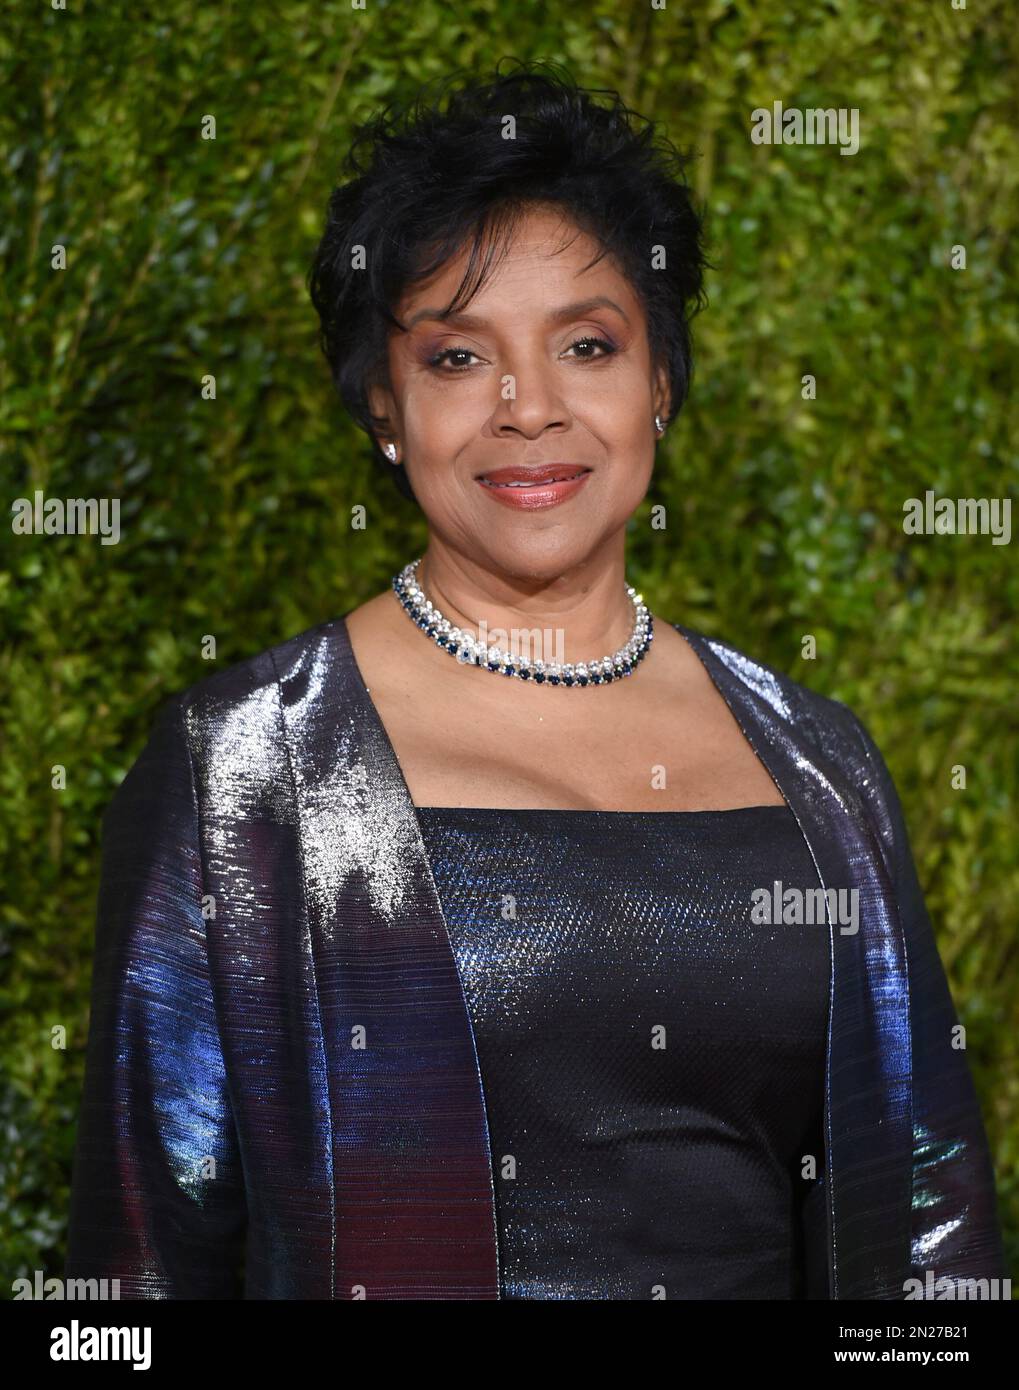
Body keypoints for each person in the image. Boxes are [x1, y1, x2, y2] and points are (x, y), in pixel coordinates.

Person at [65, 60, 1005, 1300]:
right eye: (458, 359)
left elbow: (928, 1231)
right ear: (383, 409)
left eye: (585, 344)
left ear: (657, 382)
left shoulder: (819, 762)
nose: (530, 408)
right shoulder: (242, 767)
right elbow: (140, 1271)